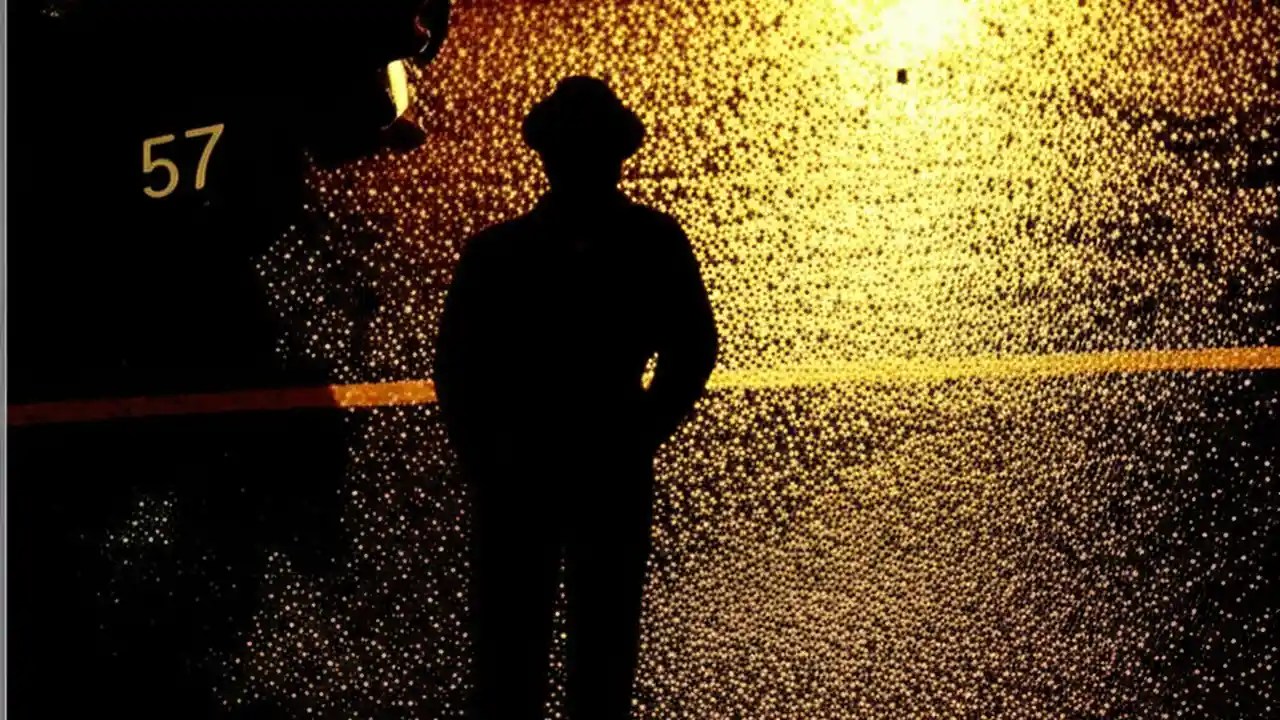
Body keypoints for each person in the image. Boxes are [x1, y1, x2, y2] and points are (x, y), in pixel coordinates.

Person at [434, 76, 719, 720]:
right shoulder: (653, 241)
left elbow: (458, 370)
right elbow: (693, 348)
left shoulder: (497, 253)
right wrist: (643, 427)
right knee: (604, 646)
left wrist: (485, 457)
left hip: (520, 468)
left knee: (512, 654)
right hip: (608, 462)